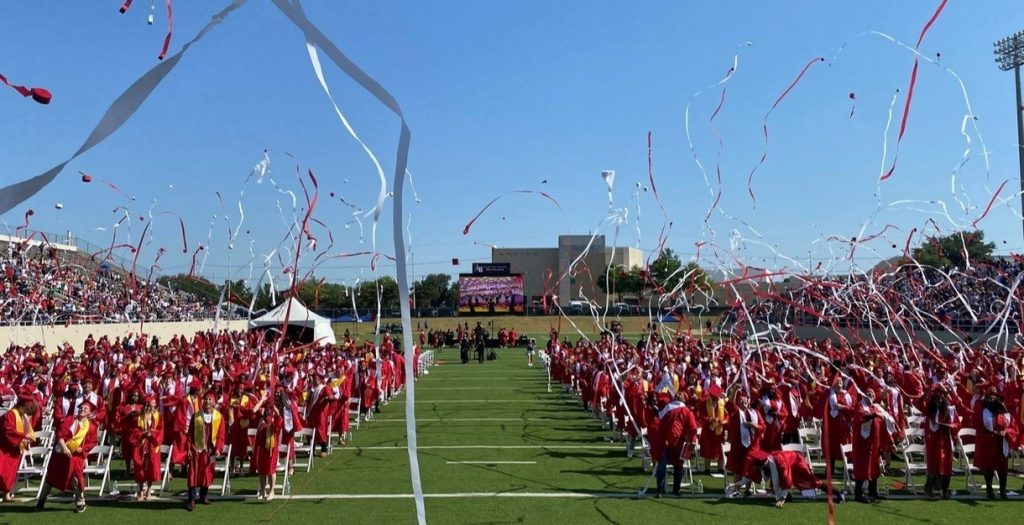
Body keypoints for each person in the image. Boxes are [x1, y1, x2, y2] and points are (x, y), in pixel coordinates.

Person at [726, 449, 843, 508]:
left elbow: (787, 478)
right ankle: (788, 496)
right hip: (786, 464)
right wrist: (739, 484)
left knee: (813, 482)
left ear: (763, 463)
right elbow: (752, 475)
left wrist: (782, 498)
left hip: (796, 463)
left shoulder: (779, 462)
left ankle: (837, 492)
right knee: (774, 484)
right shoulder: (763, 462)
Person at [37, 401, 98, 513]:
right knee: (52, 476)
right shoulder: (70, 420)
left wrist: (83, 449)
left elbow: (92, 442)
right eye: (81, 408)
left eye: (85, 408)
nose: (82, 409)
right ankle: (42, 500)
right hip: (61, 453)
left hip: (76, 457)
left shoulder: (92, 427)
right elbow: (60, 435)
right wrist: (65, 448)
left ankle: (80, 502)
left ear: (89, 412)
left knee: (76, 478)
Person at [651, 390, 698, 497]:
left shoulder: (687, 412)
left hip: (678, 443)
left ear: (685, 399)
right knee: (661, 466)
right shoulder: (667, 407)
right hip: (664, 442)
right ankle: (660, 490)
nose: (678, 394)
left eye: (681, 393)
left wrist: (693, 440)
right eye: (677, 393)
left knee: (678, 467)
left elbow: (692, 428)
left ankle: (676, 490)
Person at [185, 392, 226, 512]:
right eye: (206, 399)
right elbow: (190, 434)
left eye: (209, 399)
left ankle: (203, 496)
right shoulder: (196, 416)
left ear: (214, 403)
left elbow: (221, 435)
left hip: (209, 450)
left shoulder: (219, 417)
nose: (207, 401)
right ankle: (191, 499)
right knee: (193, 474)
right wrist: (189, 448)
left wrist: (218, 448)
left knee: (206, 473)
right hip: (196, 449)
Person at [851, 388, 893, 503]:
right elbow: (861, 417)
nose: (870, 394)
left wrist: (889, 441)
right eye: (868, 393)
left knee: (874, 467)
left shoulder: (876, 407)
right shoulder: (859, 406)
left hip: (874, 444)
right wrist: (875, 415)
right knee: (861, 467)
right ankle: (858, 494)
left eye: (873, 393)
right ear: (863, 395)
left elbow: (883, 425)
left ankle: (873, 491)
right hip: (862, 443)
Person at [976, 389, 1017, 499]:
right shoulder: (985, 412)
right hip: (990, 443)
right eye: (991, 398)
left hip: (1002, 444)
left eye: (995, 399)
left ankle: (1002, 490)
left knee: (1002, 468)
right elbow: (983, 426)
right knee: (989, 467)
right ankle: (989, 490)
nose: (993, 401)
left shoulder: (1005, 414)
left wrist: (1006, 432)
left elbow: (1013, 428)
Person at [1, 391, 38, 502]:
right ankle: (6, 494)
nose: (27, 411)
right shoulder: (11, 414)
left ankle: (7, 495)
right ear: (22, 406)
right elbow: (8, 430)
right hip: (4, 448)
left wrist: (26, 439)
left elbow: (26, 431)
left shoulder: (22, 416)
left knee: (10, 473)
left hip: (14, 449)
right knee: (3, 472)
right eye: (27, 408)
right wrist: (23, 436)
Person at [924, 384, 958, 499]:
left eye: (940, 399)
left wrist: (949, 426)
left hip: (946, 440)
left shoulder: (950, 410)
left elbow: (957, 424)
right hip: (933, 441)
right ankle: (929, 487)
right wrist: (925, 395)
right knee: (933, 464)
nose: (938, 401)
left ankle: (945, 490)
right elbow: (918, 404)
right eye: (936, 399)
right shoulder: (930, 411)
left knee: (946, 465)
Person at [726, 392, 763, 486]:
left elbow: (763, 427)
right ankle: (735, 489)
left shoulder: (755, 413)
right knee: (737, 468)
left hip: (753, 445)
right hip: (739, 444)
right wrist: (735, 390)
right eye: (740, 401)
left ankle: (748, 489)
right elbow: (729, 404)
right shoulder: (736, 412)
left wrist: (754, 426)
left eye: (745, 400)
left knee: (750, 466)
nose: (743, 402)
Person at [133, 395, 164, 501]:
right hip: (142, 445)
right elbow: (135, 431)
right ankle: (141, 492)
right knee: (140, 467)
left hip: (152, 444)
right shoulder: (139, 416)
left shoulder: (157, 416)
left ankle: (148, 491)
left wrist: (152, 434)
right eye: (153, 402)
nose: (155, 404)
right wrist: (143, 433)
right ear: (148, 404)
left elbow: (160, 430)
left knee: (151, 467)